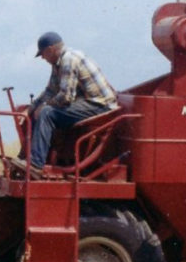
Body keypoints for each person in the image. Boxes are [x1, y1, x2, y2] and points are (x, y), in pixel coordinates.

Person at [25, 32, 117, 171]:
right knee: (42, 110)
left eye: (43, 54)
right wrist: (31, 109)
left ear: (50, 49)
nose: (43, 58)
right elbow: (50, 90)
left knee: (47, 113)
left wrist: (43, 107)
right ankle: (25, 156)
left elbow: (65, 97)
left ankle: (36, 163)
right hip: (87, 103)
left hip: (100, 105)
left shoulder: (69, 59)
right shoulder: (58, 62)